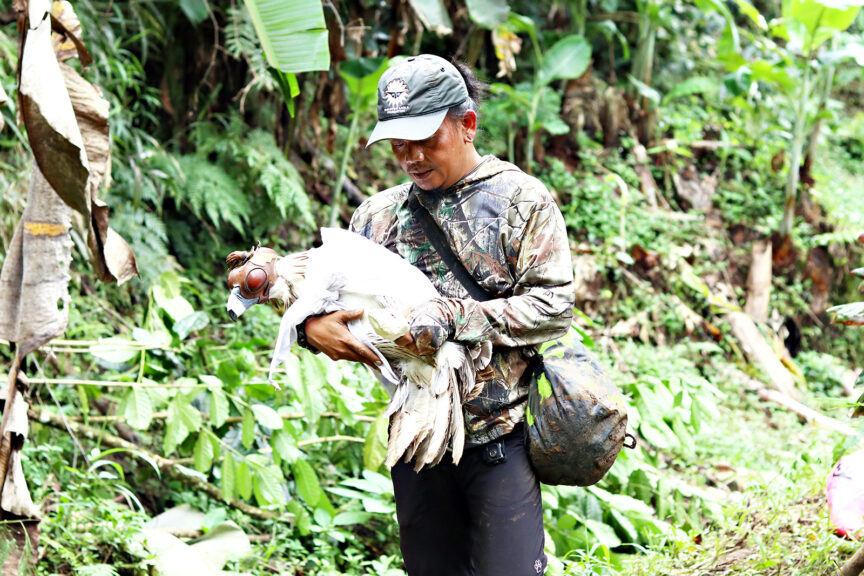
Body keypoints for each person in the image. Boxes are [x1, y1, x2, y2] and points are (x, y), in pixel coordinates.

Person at [302, 54, 575, 576]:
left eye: (426, 139)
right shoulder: (376, 217)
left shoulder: (521, 201)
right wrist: (311, 330)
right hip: (418, 444)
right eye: (399, 144)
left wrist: (456, 316)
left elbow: (553, 307)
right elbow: (325, 299)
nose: (411, 156)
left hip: (500, 437)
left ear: (467, 124)